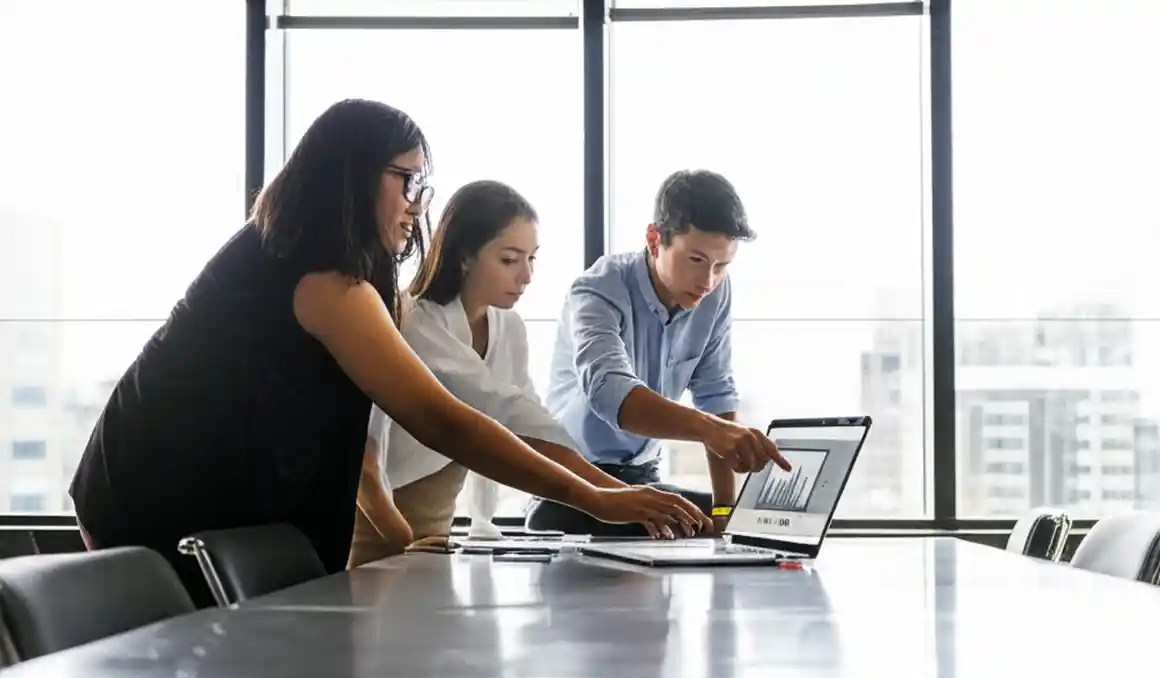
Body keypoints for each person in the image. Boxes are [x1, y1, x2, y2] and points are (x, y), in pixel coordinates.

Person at [68, 99, 709, 606]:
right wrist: (595, 497)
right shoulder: (320, 278)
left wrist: (598, 492)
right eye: (407, 181)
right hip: (153, 496)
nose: (416, 204)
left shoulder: (315, 262)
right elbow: (441, 419)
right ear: (350, 174)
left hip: (184, 494)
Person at [350, 181, 693, 567]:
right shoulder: (416, 321)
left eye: (532, 259)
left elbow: (534, 421)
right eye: (510, 260)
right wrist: (606, 496)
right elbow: (504, 411)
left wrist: (620, 495)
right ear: (464, 257)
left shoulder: (508, 327)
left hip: (435, 529)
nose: (526, 275)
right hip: (381, 523)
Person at [530, 170, 788, 536]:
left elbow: (716, 394)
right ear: (654, 240)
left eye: (721, 266)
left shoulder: (714, 293)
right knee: (667, 526)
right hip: (573, 485)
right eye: (696, 260)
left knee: (755, 520)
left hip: (645, 479)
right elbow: (610, 394)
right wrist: (712, 430)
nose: (708, 281)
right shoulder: (597, 290)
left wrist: (724, 512)